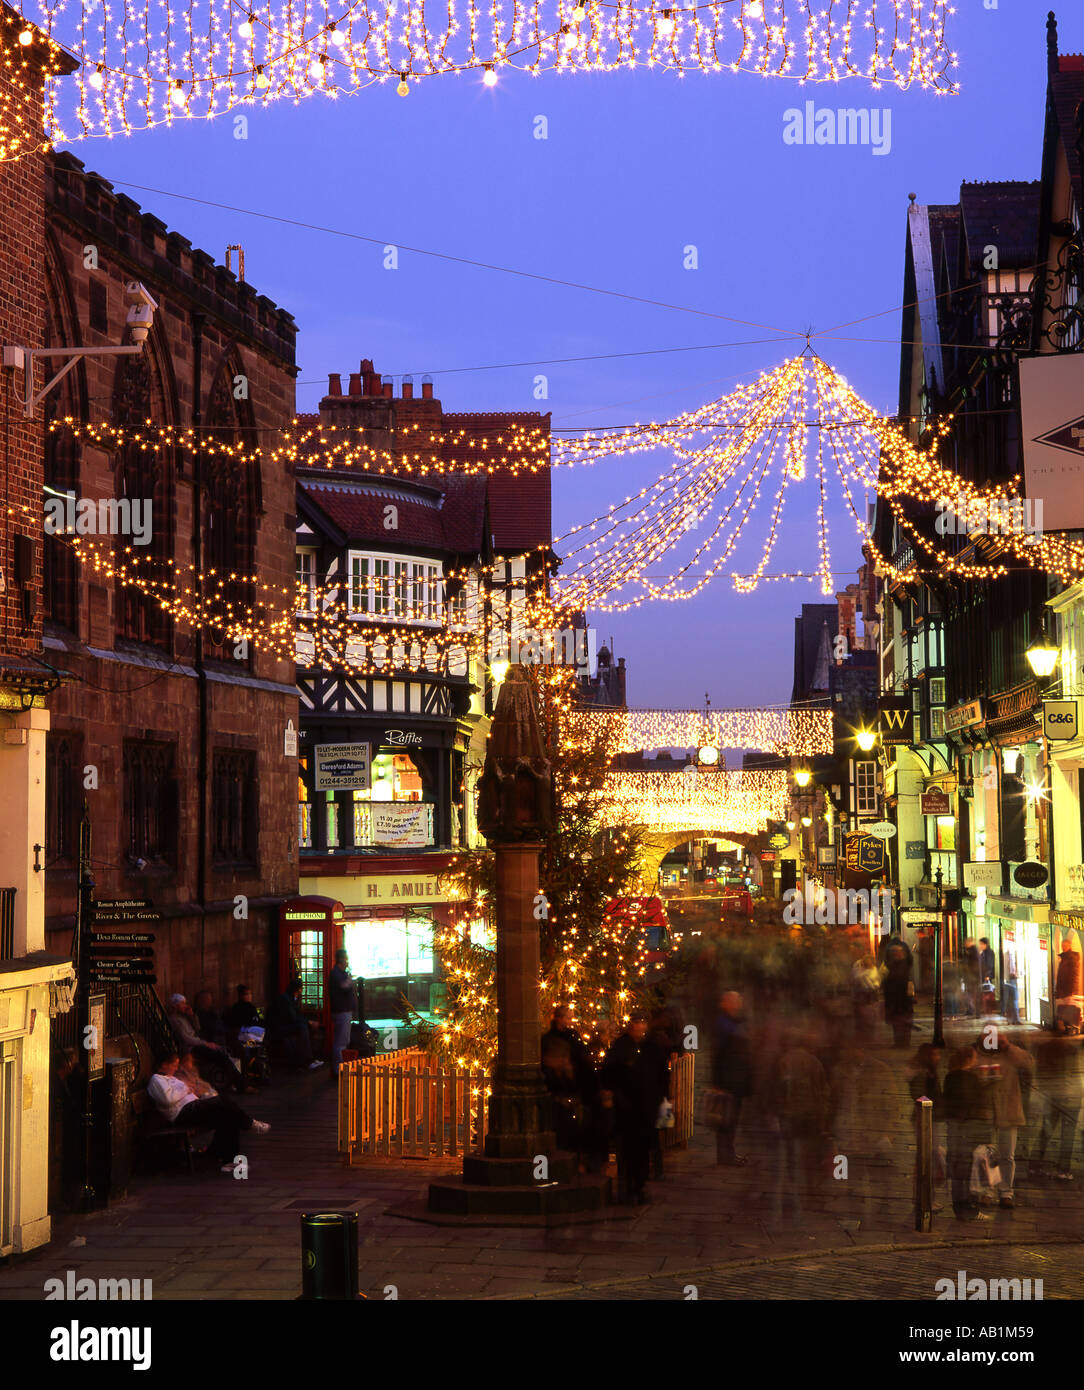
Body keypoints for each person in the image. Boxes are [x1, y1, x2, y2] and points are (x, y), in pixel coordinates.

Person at [147, 1052, 269, 1171]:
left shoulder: (171, 1078)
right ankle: (249, 1123)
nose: (176, 1068)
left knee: (228, 1116)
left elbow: (187, 1090)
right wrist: (185, 1089)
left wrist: (188, 1089)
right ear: (163, 1064)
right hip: (182, 1113)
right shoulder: (156, 1080)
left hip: (192, 1108)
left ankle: (228, 1160)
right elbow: (168, 1099)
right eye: (173, 1065)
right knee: (221, 1101)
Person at [599, 1014, 654, 1205]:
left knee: (640, 1153)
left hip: (642, 1108)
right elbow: (610, 1074)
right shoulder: (621, 1047)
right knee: (628, 1153)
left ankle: (638, 1188)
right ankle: (628, 1190)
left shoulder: (645, 1047)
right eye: (637, 1025)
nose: (640, 1029)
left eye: (642, 1026)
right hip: (627, 1109)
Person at [943, 1045, 991, 1220]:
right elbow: (973, 1102)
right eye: (975, 1057)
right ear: (969, 1059)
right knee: (966, 1169)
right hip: (966, 1127)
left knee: (957, 1169)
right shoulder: (969, 1078)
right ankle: (967, 1208)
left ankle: (959, 1206)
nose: (977, 1060)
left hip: (954, 1127)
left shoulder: (950, 1076)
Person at [166, 994, 251, 1092]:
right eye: (182, 1003)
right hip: (191, 1047)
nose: (185, 1005)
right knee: (221, 1056)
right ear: (175, 1005)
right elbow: (186, 1039)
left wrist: (192, 1015)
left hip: (197, 1044)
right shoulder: (174, 1019)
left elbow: (197, 1029)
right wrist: (205, 1044)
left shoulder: (184, 1017)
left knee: (225, 1052)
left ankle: (239, 1082)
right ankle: (242, 1085)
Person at [989, 1032, 1035, 1210]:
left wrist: (1007, 1046)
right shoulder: (980, 1053)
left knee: (1007, 1154)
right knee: (987, 1154)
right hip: (987, 1110)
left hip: (1008, 1109)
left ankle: (1006, 1191)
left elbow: (1028, 1062)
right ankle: (988, 1190)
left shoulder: (1011, 1054)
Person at [1035, 1022, 1082, 1181]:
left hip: (1053, 1096)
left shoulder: (1043, 1049)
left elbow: (1040, 1074)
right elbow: (1073, 1076)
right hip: (1070, 1098)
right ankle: (1063, 1169)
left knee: (1046, 1130)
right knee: (1067, 1134)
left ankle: (1035, 1163)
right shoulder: (1069, 1049)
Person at [710, 990, 752, 1166]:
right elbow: (718, 1054)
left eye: (738, 1000)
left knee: (731, 1119)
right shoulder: (723, 1024)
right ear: (725, 1003)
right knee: (726, 1119)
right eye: (734, 1001)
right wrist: (718, 1082)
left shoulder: (733, 1022)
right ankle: (726, 1156)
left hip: (735, 1079)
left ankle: (728, 1154)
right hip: (728, 1080)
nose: (738, 1004)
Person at [265, 979, 322, 1069]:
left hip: (283, 1025)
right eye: (301, 988)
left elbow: (297, 1015)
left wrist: (309, 1022)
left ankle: (306, 1059)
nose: (302, 990)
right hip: (277, 1028)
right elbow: (292, 1017)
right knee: (302, 1028)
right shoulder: (286, 999)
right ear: (298, 989)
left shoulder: (290, 998)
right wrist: (309, 1022)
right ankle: (308, 1060)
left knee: (304, 1027)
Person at [881, 938, 915, 1049]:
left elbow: (897, 983)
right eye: (894, 952)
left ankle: (902, 1043)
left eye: (897, 952)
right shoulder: (896, 966)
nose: (895, 954)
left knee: (901, 1022)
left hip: (900, 1000)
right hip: (897, 1000)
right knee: (899, 1023)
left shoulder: (899, 967)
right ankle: (901, 1042)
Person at [329, 949, 358, 1079]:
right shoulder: (336, 973)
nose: (347, 961)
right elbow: (345, 986)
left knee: (343, 1041)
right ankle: (338, 1069)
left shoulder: (339, 973)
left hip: (343, 1011)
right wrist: (350, 978)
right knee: (340, 1042)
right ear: (341, 959)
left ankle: (340, 1067)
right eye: (346, 959)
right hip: (341, 1011)